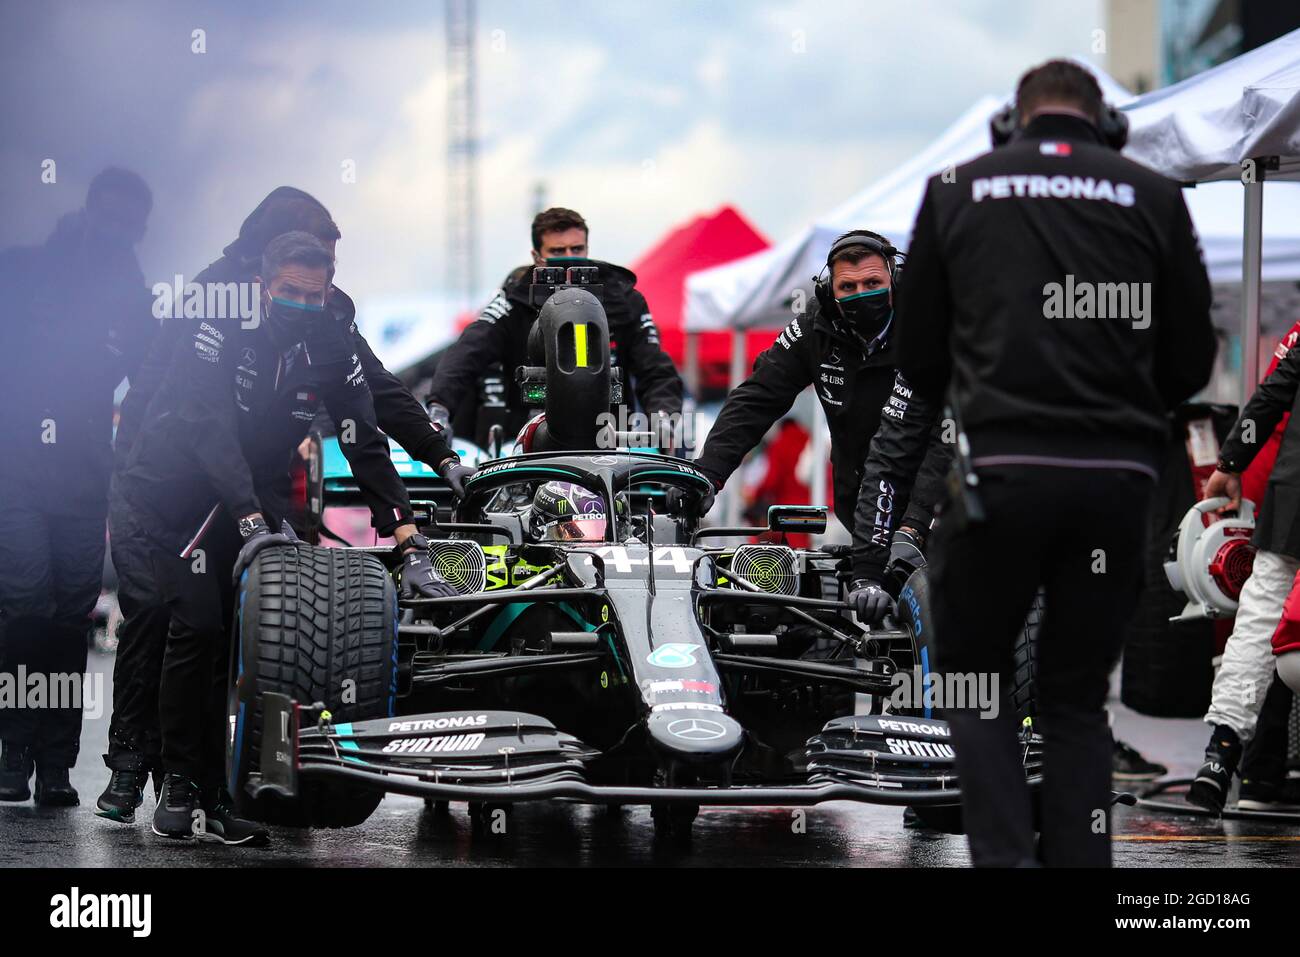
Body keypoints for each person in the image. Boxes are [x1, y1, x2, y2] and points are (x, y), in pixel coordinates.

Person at [895, 60, 1215, 866]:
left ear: (1013, 121)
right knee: (1076, 701)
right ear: (1106, 124)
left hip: (1001, 475)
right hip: (1115, 487)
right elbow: (1189, 362)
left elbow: (918, 359)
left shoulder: (953, 189)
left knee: (979, 684)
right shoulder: (1155, 194)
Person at [97, 187, 474, 824]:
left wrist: (426, 487)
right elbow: (199, 418)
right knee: (168, 618)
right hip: (166, 481)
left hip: (247, 481)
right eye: (300, 280)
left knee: (225, 629)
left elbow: (368, 411)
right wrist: (224, 507)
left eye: (324, 278)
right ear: (266, 268)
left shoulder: (327, 321)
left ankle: (206, 785)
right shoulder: (215, 299)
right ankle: (136, 764)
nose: (314, 291)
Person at [0, 168, 155, 806]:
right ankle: (14, 755)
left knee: (67, 619)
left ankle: (56, 765)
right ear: (90, 210)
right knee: (27, 611)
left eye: (131, 224)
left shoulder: (133, 294)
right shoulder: (24, 272)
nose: (119, 232)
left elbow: (152, 377)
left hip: (87, 478)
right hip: (19, 476)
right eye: (112, 217)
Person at [694, 230, 941, 534]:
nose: (861, 294)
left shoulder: (928, 326)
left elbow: (950, 431)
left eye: (872, 283)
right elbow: (756, 399)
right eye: (848, 286)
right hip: (861, 511)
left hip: (939, 507)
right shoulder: (815, 328)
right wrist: (707, 474)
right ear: (829, 292)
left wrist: (915, 520)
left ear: (896, 282)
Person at [426, 207, 683, 441]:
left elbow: (656, 368)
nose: (570, 259)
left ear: (587, 249)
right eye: (558, 252)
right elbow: (467, 351)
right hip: (530, 440)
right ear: (537, 256)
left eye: (577, 249)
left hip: (611, 442)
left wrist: (663, 417)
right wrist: (439, 407)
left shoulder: (623, 298)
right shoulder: (515, 298)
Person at [1191, 326, 1300, 812]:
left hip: (1293, 494)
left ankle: (1222, 753)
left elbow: (1274, 389)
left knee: (1257, 623)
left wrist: (1231, 460)